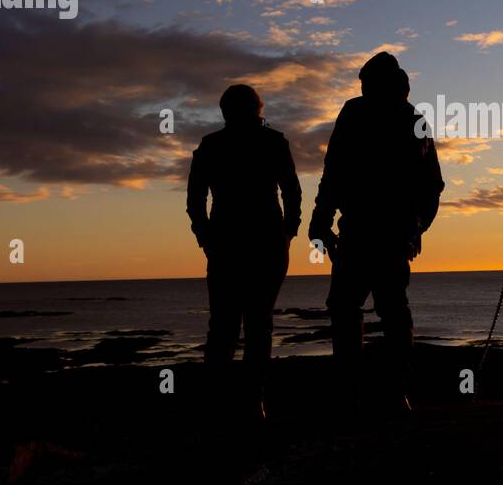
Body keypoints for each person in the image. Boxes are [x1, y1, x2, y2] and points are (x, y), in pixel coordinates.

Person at [309, 52, 444, 412]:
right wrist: (321, 219)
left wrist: (417, 226)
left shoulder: (402, 118)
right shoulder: (374, 114)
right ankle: (369, 392)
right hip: (367, 229)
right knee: (365, 308)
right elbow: (334, 172)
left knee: (383, 310)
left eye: (369, 83)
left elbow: (431, 184)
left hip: (383, 230)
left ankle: (387, 392)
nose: (365, 89)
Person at [186, 84, 301, 425]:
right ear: (257, 108)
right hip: (257, 241)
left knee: (224, 325)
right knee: (254, 325)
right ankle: (250, 402)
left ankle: (224, 403)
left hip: (235, 242)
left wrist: (204, 233)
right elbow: (292, 191)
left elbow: (195, 199)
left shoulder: (214, 145)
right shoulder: (269, 142)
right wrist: (289, 230)